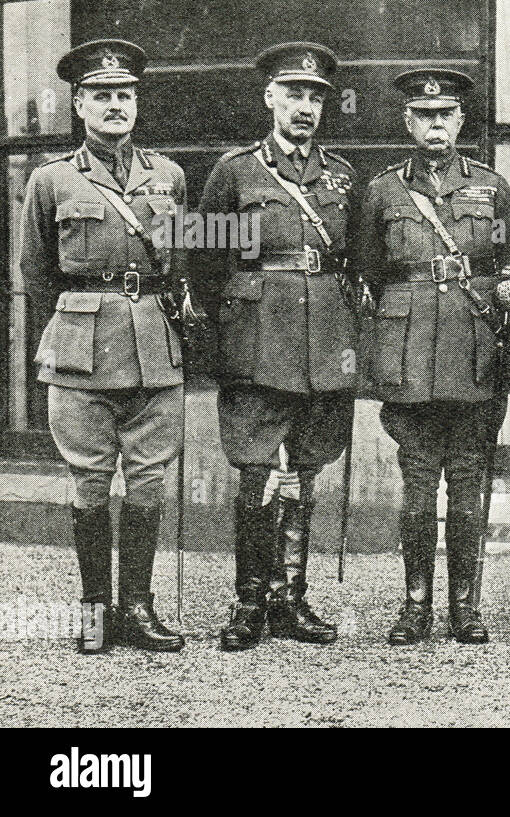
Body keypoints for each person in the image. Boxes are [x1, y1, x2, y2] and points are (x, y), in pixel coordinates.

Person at [351, 68, 510, 645]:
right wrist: (391, 337)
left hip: (475, 356)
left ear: (459, 122)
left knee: (468, 484)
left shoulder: (490, 187)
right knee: (417, 488)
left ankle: (465, 608)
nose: (435, 124)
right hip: (410, 362)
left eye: (445, 115)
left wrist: (494, 315)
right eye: (423, 116)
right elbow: (366, 277)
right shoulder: (383, 192)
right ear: (409, 122)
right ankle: (414, 607)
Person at [191, 42, 362, 651]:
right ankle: (248, 603)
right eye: (293, 93)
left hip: (324, 346)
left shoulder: (341, 176)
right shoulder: (235, 172)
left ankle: (291, 598)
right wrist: (221, 343)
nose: (305, 106)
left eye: (315, 96)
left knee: (306, 471)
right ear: (269, 97)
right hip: (257, 344)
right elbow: (203, 264)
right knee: (257, 474)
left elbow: (356, 263)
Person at [21, 39, 188, 653]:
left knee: (148, 481)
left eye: (125, 95)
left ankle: (137, 608)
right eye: (101, 96)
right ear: (79, 105)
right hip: (81, 350)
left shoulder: (167, 175)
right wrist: (72, 323)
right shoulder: (51, 179)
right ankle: (96, 614)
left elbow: (180, 259)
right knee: (89, 482)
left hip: (153, 345)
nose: (115, 105)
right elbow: (36, 273)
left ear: (137, 103)